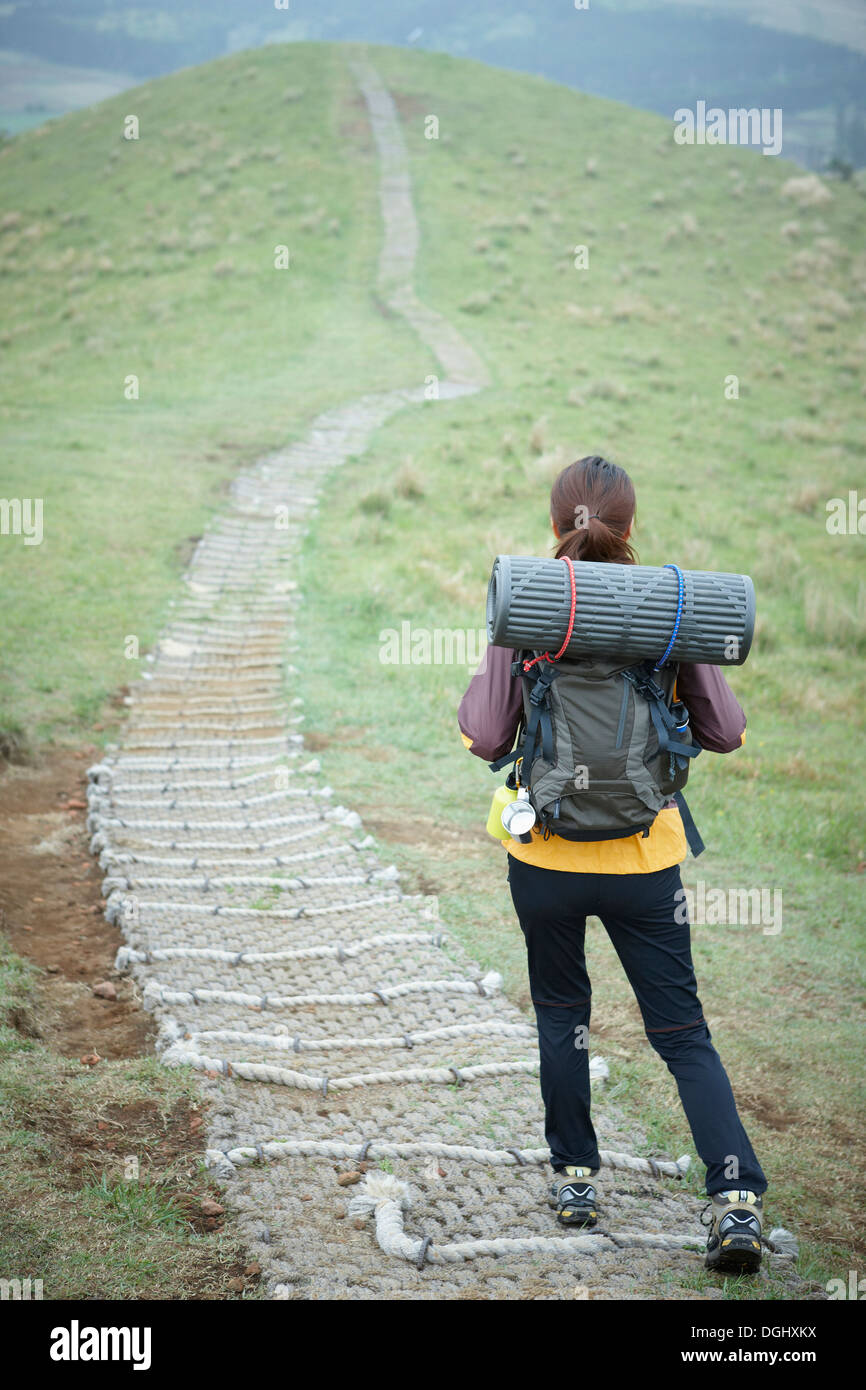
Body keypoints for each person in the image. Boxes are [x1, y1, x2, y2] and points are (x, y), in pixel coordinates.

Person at [457, 455, 767, 1274]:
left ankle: (576, 1181)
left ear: (555, 519)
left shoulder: (527, 600)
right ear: (631, 526)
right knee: (682, 1034)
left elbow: (486, 736)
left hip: (547, 860)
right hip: (645, 861)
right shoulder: (673, 605)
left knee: (563, 1015)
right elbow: (727, 732)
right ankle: (735, 1198)